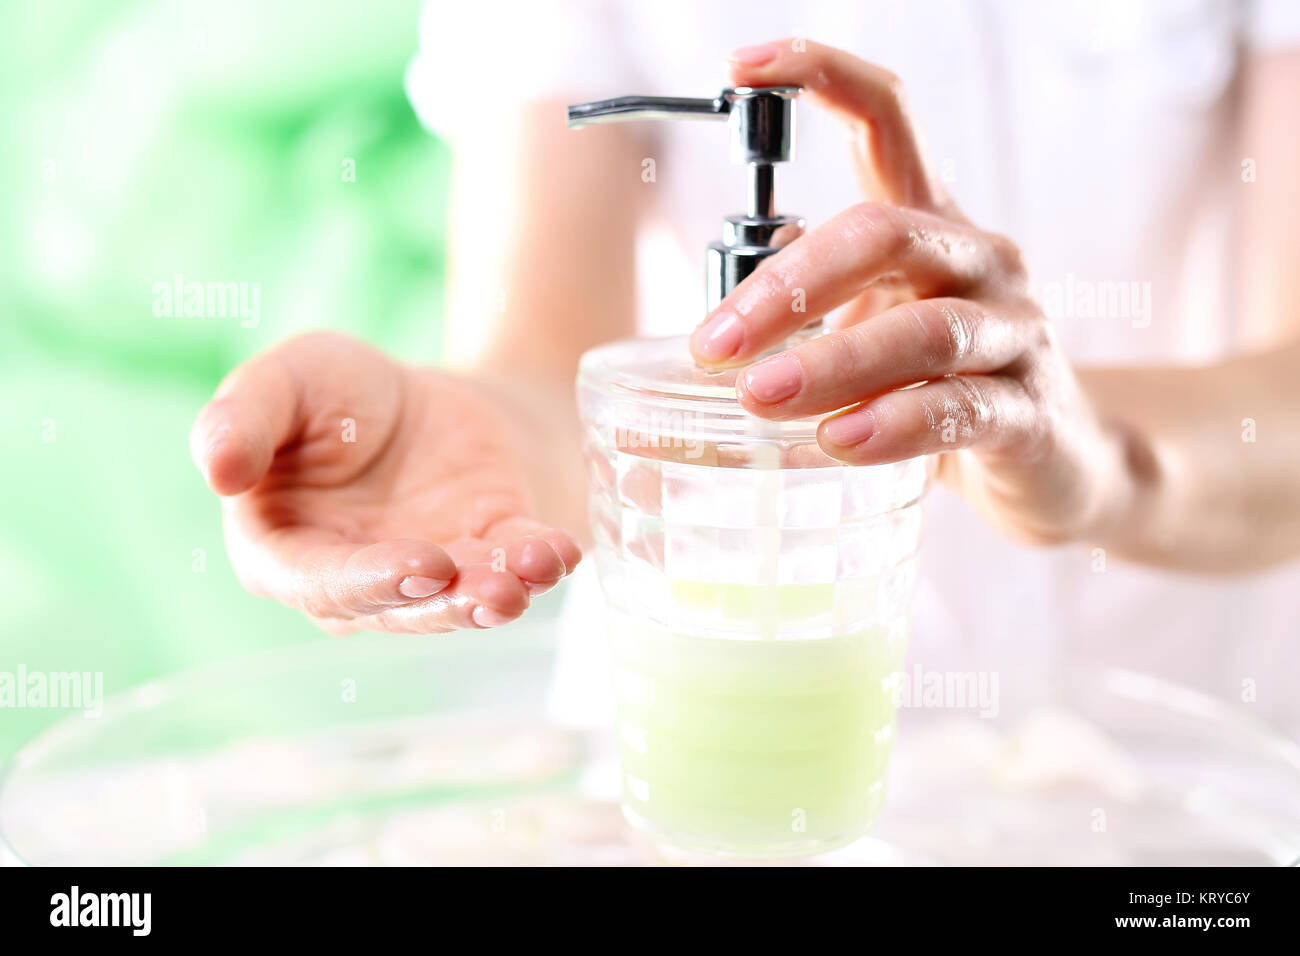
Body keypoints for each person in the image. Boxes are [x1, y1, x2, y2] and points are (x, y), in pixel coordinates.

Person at [190, 1, 1300, 726]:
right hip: (692, 753)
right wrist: (471, 444)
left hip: (1166, 745)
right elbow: (545, 374)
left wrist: (1085, 458)